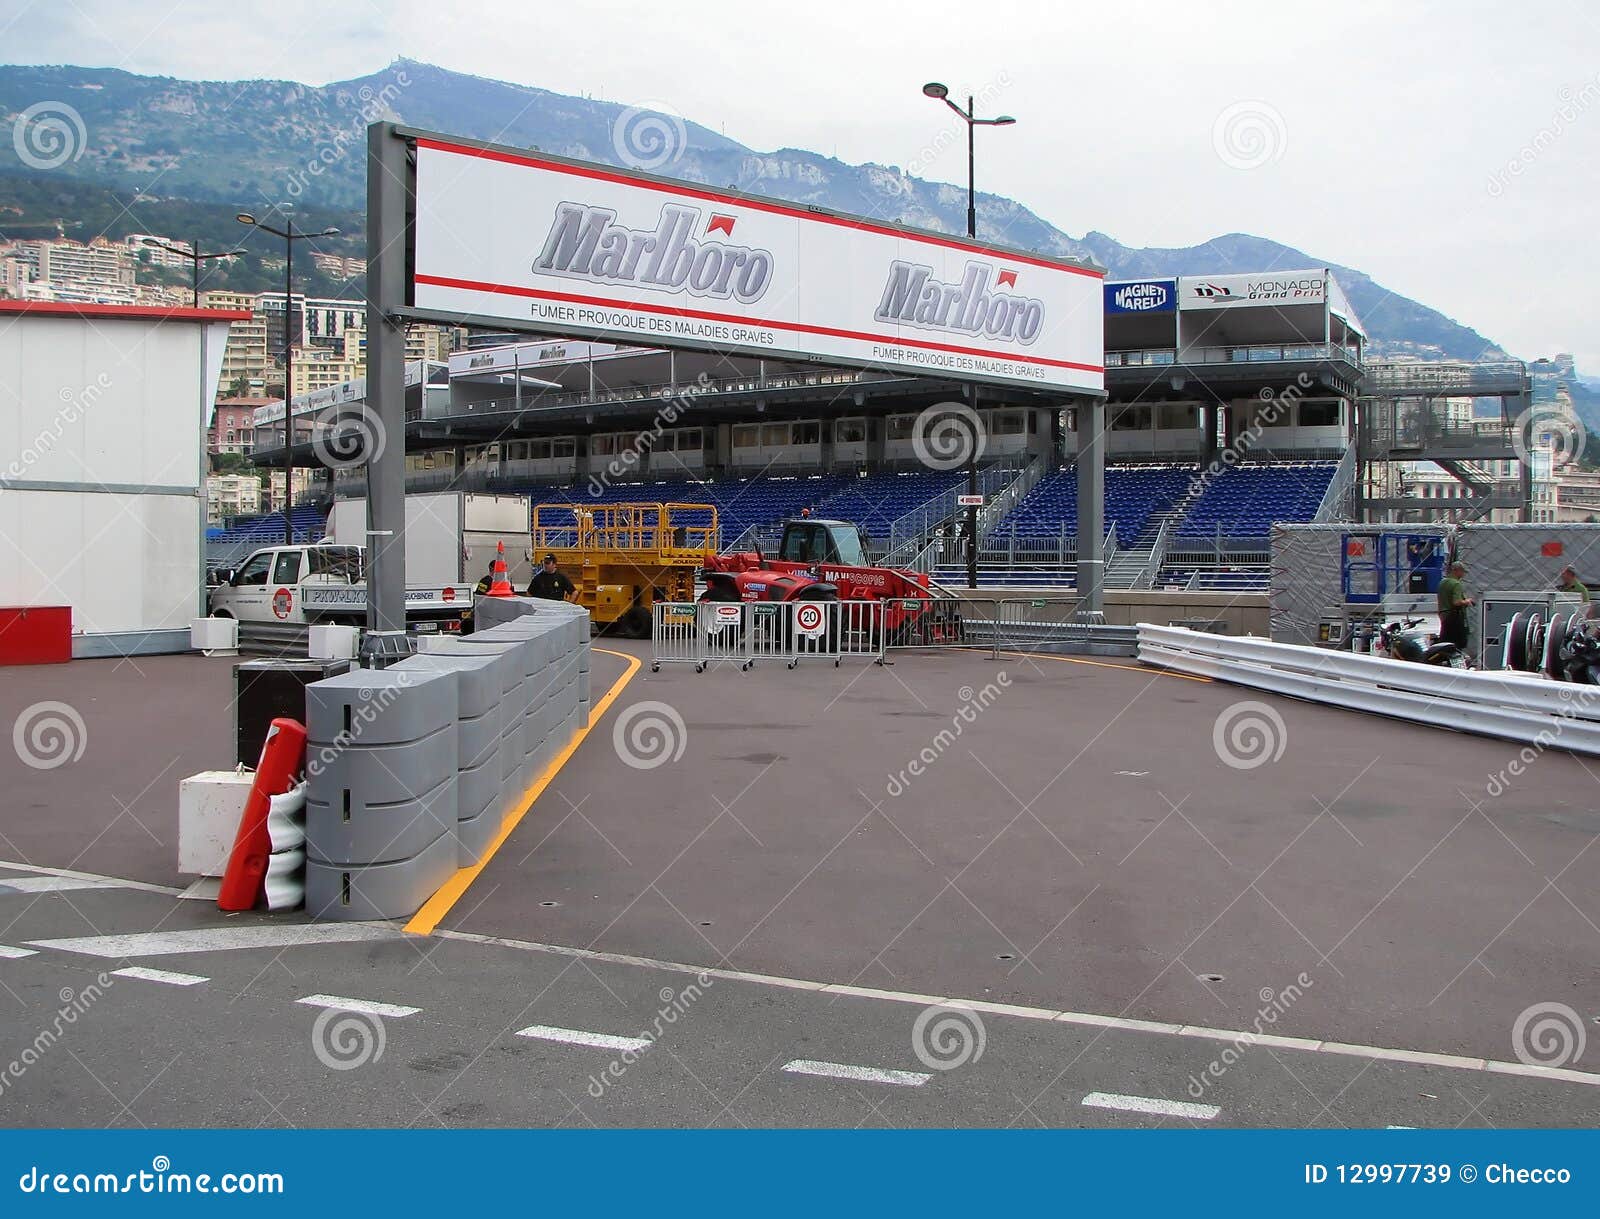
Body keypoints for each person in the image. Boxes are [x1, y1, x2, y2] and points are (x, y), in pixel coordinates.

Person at [1436, 560, 1473, 650]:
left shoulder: (1442, 582)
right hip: (1454, 617)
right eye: (1463, 572)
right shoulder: (1456, 584)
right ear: (1457, 571)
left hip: (1443, 615)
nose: (1463, 574)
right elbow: (1456, 602)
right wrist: (1467, 601)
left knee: (1445, 642)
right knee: (1457, 644)